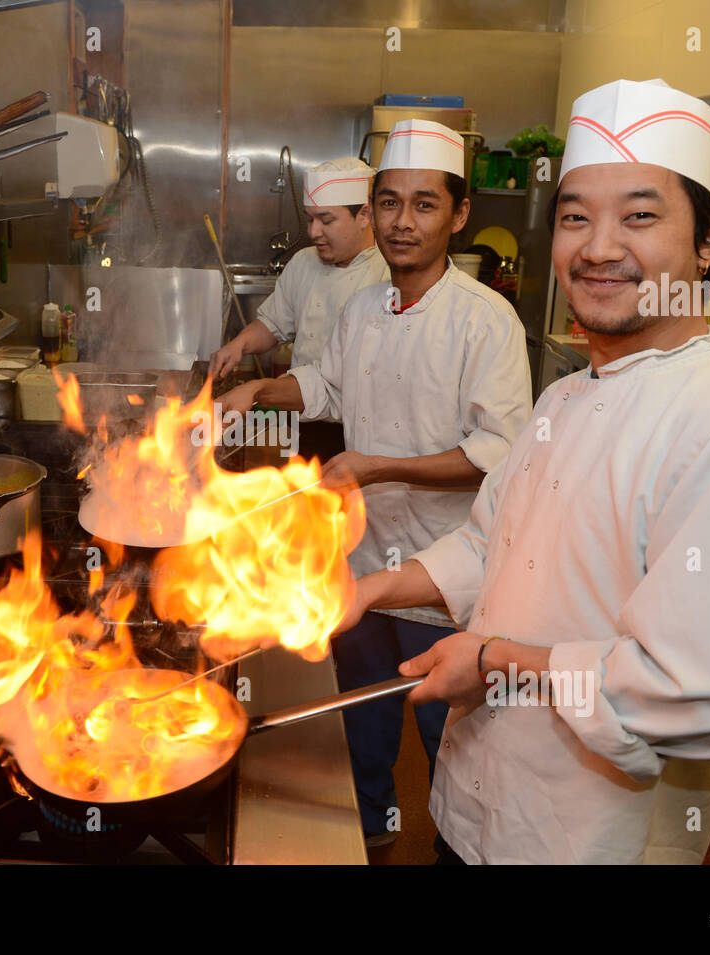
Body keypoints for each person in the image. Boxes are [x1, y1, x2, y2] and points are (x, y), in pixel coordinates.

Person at [337, 79, 710, 864]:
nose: (598, 247)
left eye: (639, 215)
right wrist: (370, 589)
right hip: (475, 812)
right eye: (575, 217)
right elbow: (489, 542)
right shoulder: (565, 397)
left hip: (587, 841)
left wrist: (496, 658)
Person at [220, 119, 532, 845]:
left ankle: (466, 847)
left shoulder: (488, 322)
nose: (402, 221)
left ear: (458, 215)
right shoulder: (363, 308)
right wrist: (254, 394)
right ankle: (372, 830)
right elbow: (326, 385)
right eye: (389, 202)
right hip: (362, 561)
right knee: (361, 716)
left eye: (425, 204)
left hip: (447, 576)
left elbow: (500, 451)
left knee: (453, 738)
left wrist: (378, 465)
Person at [208, 157, 388, 461]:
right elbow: (274, 322)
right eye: (309, 219)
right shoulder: (304, 262)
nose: (314, 231)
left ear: (365, 215)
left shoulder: (387, 274)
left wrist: (258, 389)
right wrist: (238, 345)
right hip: (302, 418)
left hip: (361, 432)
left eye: (326, 220)